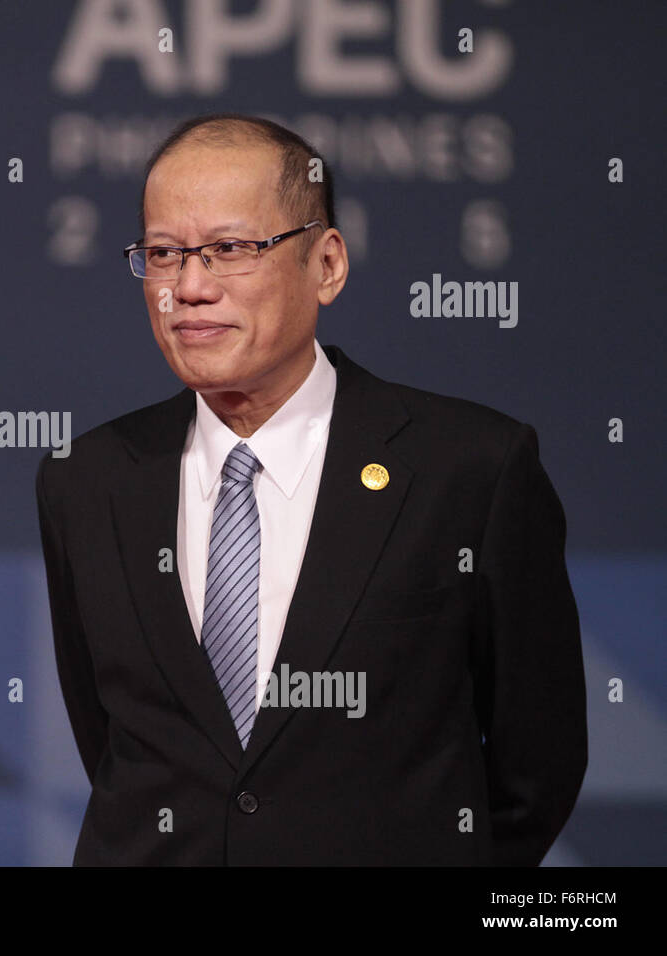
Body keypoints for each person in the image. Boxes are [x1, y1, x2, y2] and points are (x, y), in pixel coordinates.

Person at [35, 113, 587, 866]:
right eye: (163, 254)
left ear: (326, 264)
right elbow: (113, 746)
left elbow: (537, 766)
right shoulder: (87, 478)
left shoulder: (470, 469)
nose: (189, 287)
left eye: (231, 249)